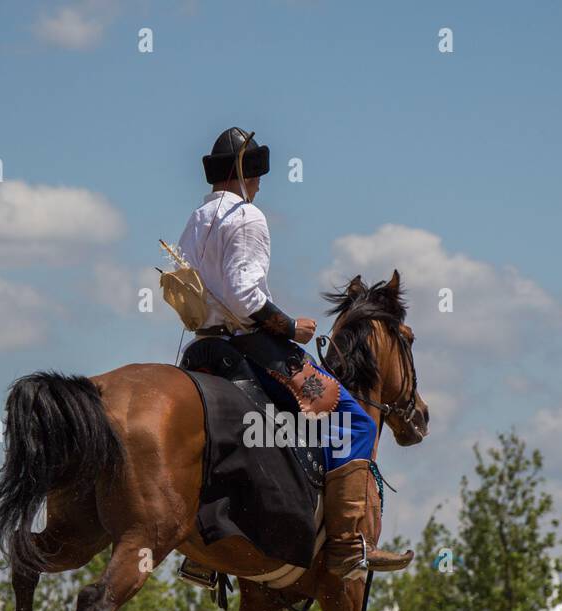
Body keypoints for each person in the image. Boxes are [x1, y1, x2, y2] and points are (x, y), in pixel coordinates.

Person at [175, 126, 412, 580]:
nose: (261, 183)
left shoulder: (197, 218)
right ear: (245, 173)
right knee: (353, 419)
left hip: (202, 348)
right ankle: (346, 544)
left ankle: (200, 556)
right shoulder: (247, 217)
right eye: (258, 173)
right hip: (252, 344)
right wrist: (292, 328)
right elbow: (245, 297)